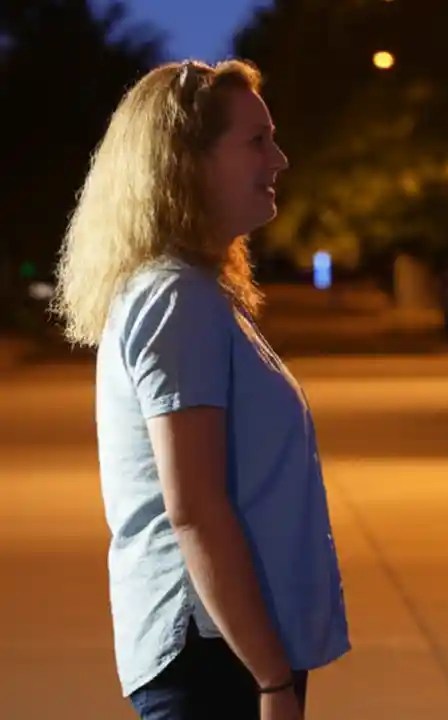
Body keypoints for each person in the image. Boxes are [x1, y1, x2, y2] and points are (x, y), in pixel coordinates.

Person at [52, 59, 349, 720]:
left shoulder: (196, 293)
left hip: (228, 646)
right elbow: (195, 509)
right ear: (186, 163)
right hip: (212, 655)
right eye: (256, 141)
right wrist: (271, 678)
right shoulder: (175, 299)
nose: (280, 157)